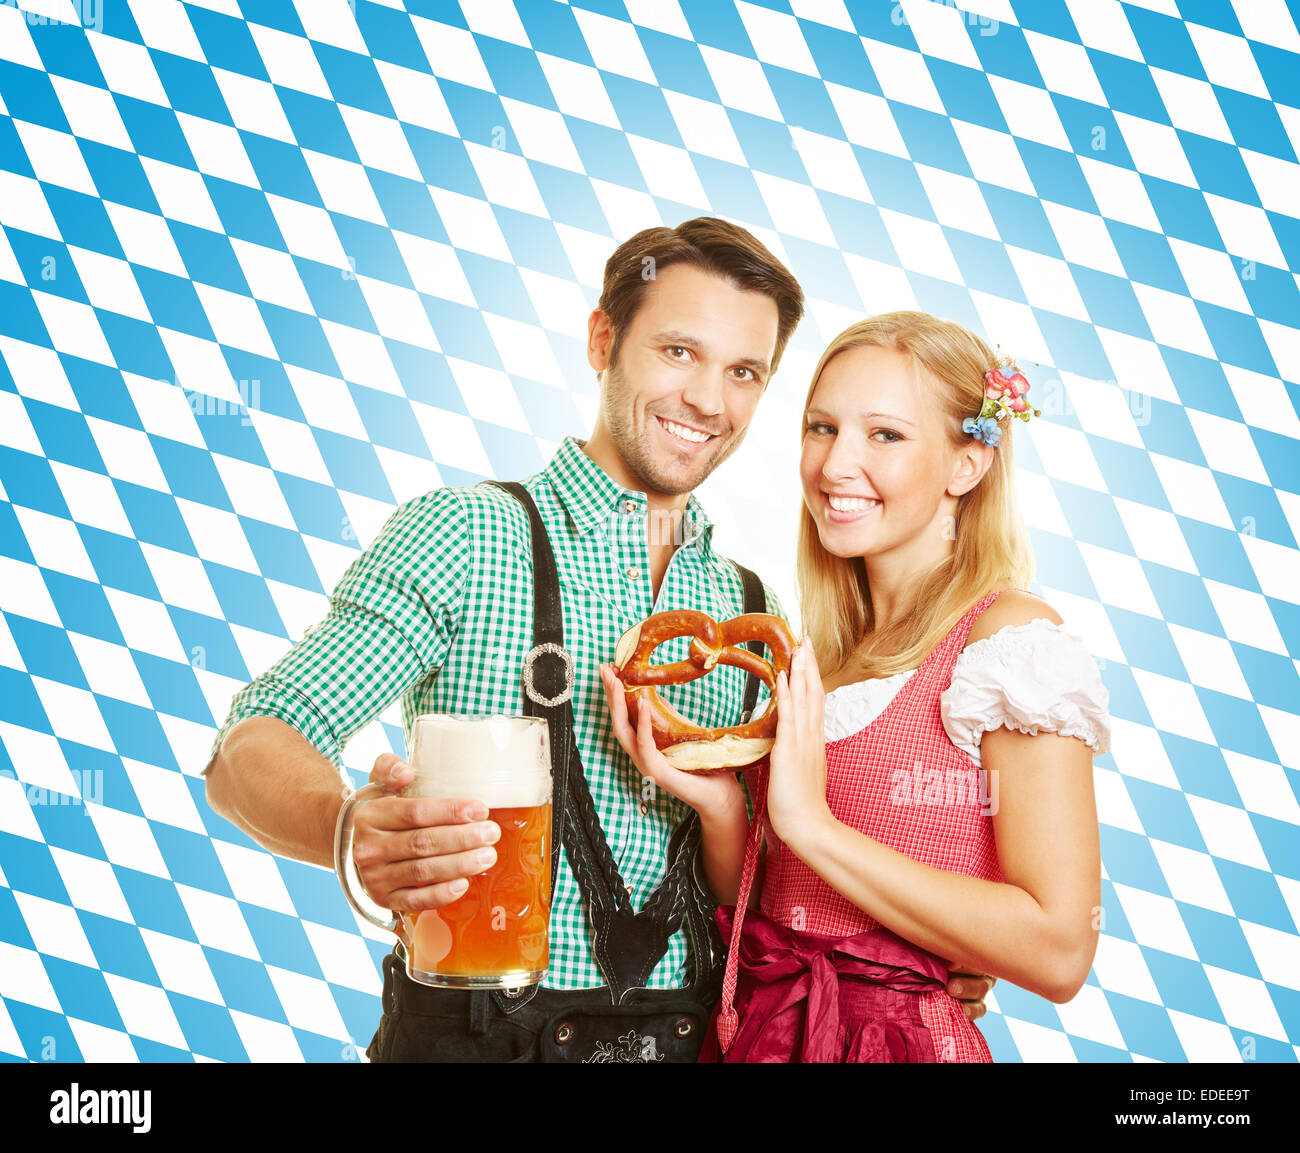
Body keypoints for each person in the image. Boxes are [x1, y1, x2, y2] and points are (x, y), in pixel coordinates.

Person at [203, 221, 992, 1062]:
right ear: (602, 340)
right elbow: (252, 743)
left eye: (744, 372)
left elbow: (763, 877)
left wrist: (898, 960)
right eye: (680, 352)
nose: (709, 402)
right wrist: (347, 827)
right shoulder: (469, 536)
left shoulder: (752, 609)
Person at [603, 311, 1109, 1062]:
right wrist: (716, 807)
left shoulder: (1009, 644)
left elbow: (1059, 948)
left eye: (885, 435)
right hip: (760, 1033)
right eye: (821, 428)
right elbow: (783, 896)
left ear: (968, 463)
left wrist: (814, 825)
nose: (835, 465)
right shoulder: (822, 651)